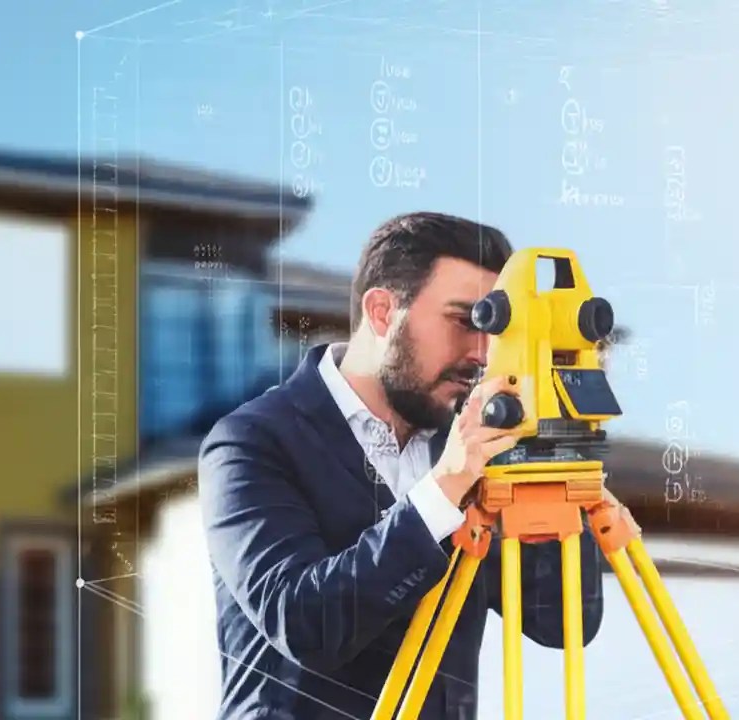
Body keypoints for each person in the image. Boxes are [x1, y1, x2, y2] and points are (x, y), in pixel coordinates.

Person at [198, 212, 606, 719]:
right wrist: (442, 493)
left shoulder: (476, 444)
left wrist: (549, 455)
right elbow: (303, 623)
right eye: (466, 321)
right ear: (382, 311)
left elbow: (565, 620)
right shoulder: (251, 441)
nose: (483, 353)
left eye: (497, 326)